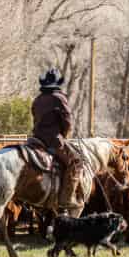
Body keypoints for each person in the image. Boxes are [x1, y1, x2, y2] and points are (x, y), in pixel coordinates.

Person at [31, 68, 82, 213]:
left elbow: (34, 118)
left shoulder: (37, 99)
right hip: (53, 140)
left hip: (36, 139)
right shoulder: (59, 98)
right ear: (57, 84)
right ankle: (67, 199)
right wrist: (64, 136)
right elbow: (67, 121)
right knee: (76, 161)